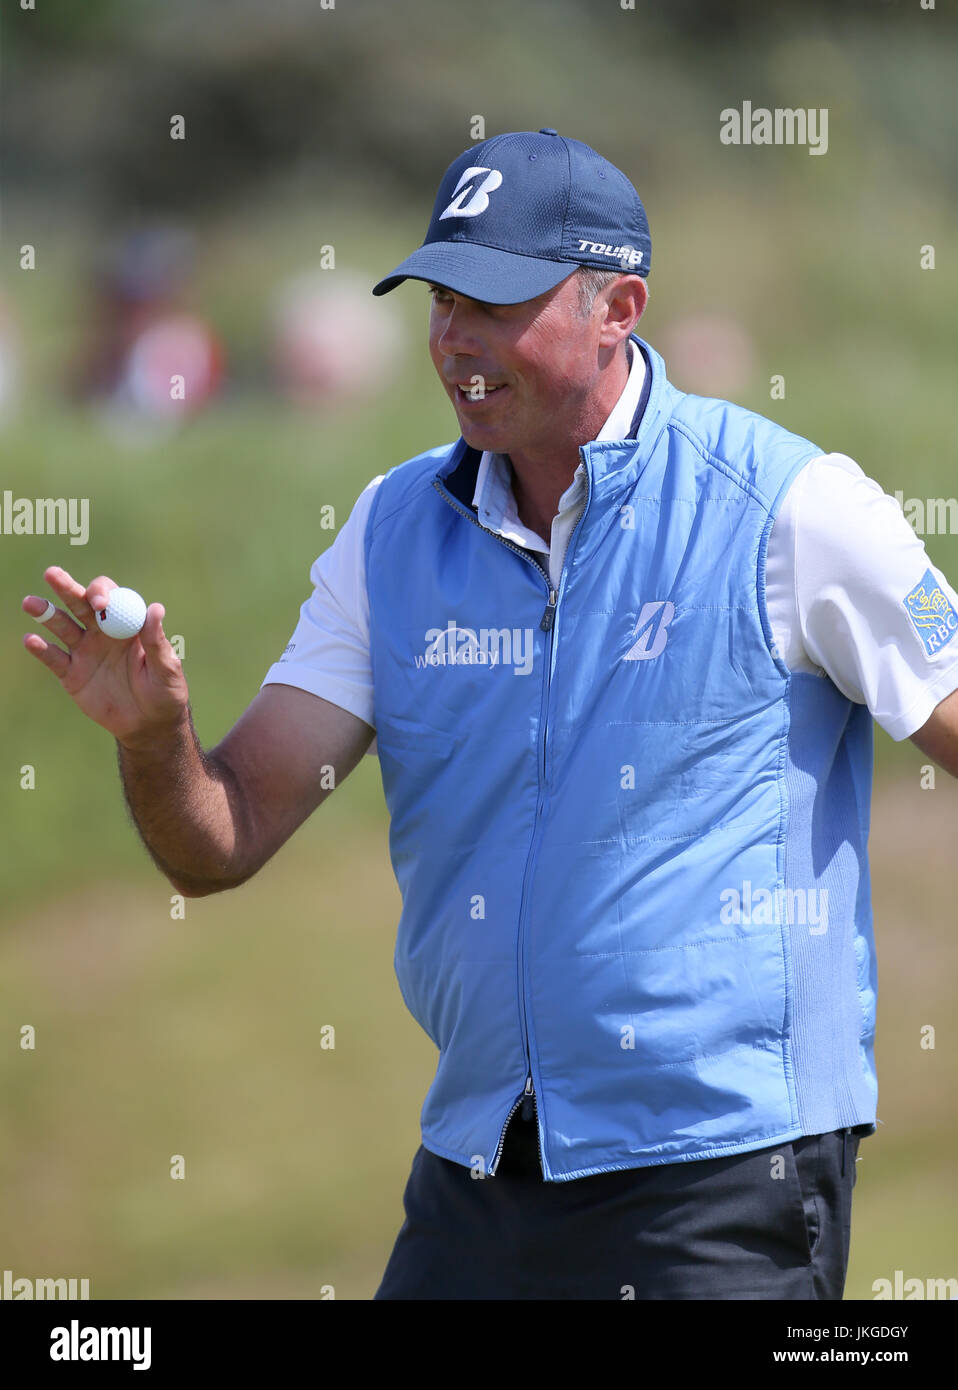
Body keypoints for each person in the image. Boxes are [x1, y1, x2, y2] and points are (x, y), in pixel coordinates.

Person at [21, 129, 958, 1301]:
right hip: (481, 1167)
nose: (455, 339)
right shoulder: (390, 529)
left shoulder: (789, 505)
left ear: (620, 307)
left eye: (496, 304)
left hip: (725, 1170)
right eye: (439, 301)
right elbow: (224, 837)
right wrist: (156, 741)